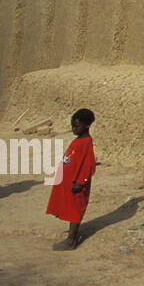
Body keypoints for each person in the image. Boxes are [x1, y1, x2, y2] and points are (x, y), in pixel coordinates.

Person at [46, 108, 96, 251]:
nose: (74, 129)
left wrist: (80, 182)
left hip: (77, 185)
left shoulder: (86, 142)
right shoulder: (78, 141)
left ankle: (71, 241)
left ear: (86, 125)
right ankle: (71, 236)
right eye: (72, 126)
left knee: (75, 210)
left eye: (77, 126)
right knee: (71, 208)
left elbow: (88, 165)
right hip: (70, 183)